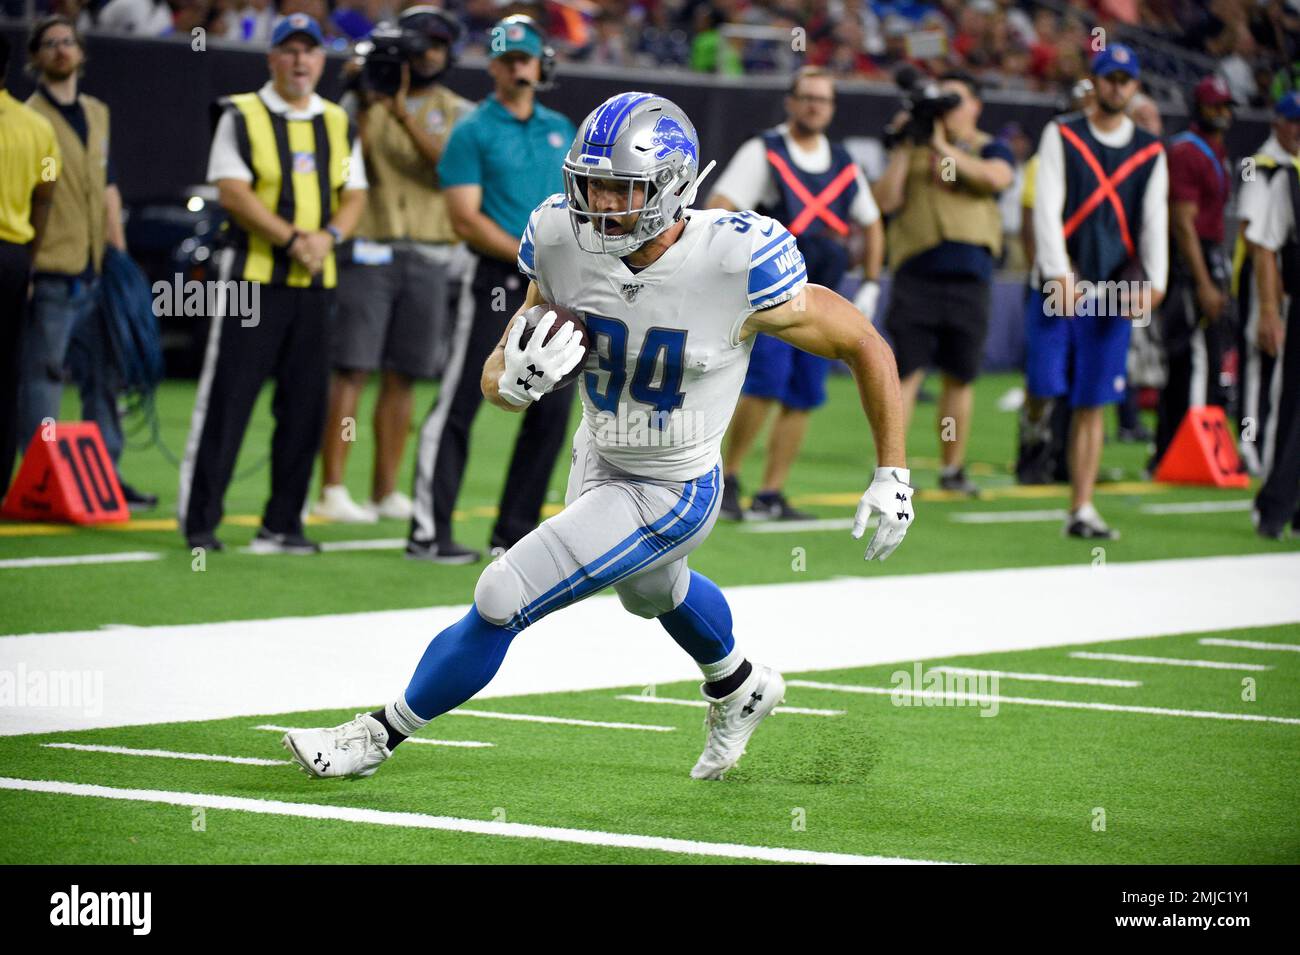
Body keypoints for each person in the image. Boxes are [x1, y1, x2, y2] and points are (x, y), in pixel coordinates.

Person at [281, 93, 914, 782]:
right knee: (653, 593)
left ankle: (374, 737)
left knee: (502, 591)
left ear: (671, 188)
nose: (600, 203)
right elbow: (498, 368)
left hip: (673, 485)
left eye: (621, 187)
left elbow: (865, 343)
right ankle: (740, 684)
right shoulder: (559, 236)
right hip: (599, 451)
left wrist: (891, 471)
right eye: (591, 183)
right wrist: (514, 382)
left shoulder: (736, 259)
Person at [179, 14, 368, 553]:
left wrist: (327, 236)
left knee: (306, 405)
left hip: (315, 282)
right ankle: (201, 521)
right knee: (228, 400)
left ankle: (282, 522)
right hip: (252, 282)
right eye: (290, 50)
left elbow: (355, 193)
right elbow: (233, 191)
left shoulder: (337, 121)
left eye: (310, 51)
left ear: (321, 60)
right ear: (272, 59)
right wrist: (292, 240)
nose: (301, 60)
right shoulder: (241, 113)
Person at [405, 14, 576, 564]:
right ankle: (427, 532)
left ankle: (515, 532)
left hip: (559, 288)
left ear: (539, 63)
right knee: (461, 400)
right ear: (495, 67)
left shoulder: (560, 126)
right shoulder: (473, 129)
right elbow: (464, 218)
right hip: (497, 282)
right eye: (507, 60)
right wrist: (531, 260)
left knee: (551, 412)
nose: (518, 67)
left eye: (525, 58)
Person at [313, 6, 473, 524]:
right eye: (420, 44)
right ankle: (333, 488)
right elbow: (338, 162)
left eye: (438, 46)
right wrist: (364, 99)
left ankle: (384, 490)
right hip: (368, 247)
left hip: (428, 252)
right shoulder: (361, 101)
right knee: (352, 368)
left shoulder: (458, 111)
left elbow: (448, 167)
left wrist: (402, 111)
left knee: (404, 375)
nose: (429, 54)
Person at [707, 66, 884, 521]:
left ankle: (772, 492)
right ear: (790, 101)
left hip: (823, 296)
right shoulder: (764, 151)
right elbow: (716, 210)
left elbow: (872, 220)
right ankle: (727, 481)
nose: (813, 106)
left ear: (831, 107)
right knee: (765, 385)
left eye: (822, 99)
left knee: (804, 392)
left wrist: (869, 281)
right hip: (772, 295)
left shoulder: (843, 160)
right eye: (806, 97)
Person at [17, 15, 156, 510]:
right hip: (54, 267)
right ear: (35, 57)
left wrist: (118, 255)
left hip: (98, 268)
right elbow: (33, 192)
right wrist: (29, 266)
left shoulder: (97, 113)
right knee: (45, 374)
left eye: (67, 42)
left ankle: (104, 476)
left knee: (107, 373)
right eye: (50, 44)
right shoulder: (29, 118)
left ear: (80, 52)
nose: (60, 50)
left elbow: (108, 187)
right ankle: (41, 476)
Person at [1031, 44, 1168, 539]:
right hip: (1058, 283)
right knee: (1045, 387)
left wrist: (1155, 281)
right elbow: (1046, 206)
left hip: (1110, 288)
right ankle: (1034, 437)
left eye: (1126, 80)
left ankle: (1081, 507)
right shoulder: (1062, 133)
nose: (1117, 88)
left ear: (1135, 87)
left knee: (1092, 402)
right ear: (1095, 82)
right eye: (1109, 79)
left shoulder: (1150, 149)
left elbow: (1155, 218)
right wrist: (1057, 272)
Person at [873, 70, 1014, 496]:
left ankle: (952, 469)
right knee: (907, 373)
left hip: (970, 276)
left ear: (976, 106)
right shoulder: (910, 150)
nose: (948, 109)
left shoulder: (990, 146)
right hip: (916, 273)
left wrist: (939, 144)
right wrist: (905, 146)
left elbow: (995, 179)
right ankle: (889, 469)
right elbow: (882, 203)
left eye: (956, 100)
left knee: (960, 376)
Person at [1151, 76, 1234, 472]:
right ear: (1198, 107)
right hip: (1190, 261)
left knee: (1209, 356)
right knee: (1187, 357)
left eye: (1226, 106)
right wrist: (1201, 281)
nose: (1222, 113)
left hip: (1210, 256)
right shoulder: (1187, 151)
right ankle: (1172, 451)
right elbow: (1183, 222)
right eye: (1214, 106)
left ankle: (1190, 449)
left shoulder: (1216, 152)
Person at [0, 34, 59, 500]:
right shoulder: (36, 127)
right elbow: (45, 198)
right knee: (7, 373)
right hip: (13, 259)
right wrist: (29, 260)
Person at [1234, 94, 1300, 475]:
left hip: (1282, 274)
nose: (1297, 129)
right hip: (1263, 273)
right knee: (1260, 361)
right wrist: (1269, 300)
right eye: (1292, 121)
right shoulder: (1260, 165)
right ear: (1277, 122)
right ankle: (1250, 442)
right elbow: (1252, 234)